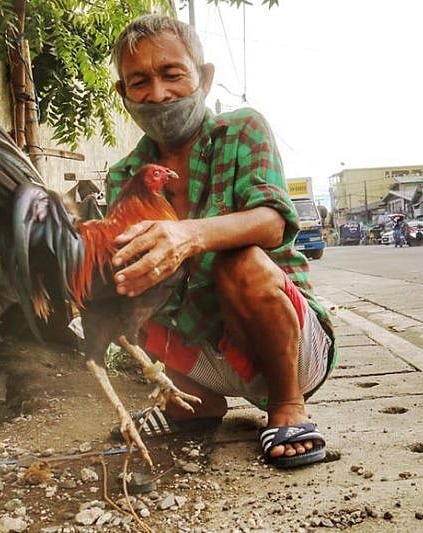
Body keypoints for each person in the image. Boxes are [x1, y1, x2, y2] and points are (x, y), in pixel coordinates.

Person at [105, 15, 336, 468]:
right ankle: (198, 402)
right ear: (124, 95)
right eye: (139, 82)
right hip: (202, 356)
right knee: (125, 295)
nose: (157, 94)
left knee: (240, 262)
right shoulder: (122, 177)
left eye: (172, 74)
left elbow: (272, 221)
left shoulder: (242, 129)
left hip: (286, 350)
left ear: (204, 78)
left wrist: (188, 235)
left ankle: (287, 405)